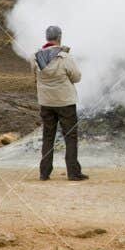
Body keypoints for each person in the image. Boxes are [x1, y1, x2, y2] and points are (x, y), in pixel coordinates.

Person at [35, 25, 87, 181]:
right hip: (65, 102)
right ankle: (73, 172)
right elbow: (77, 77)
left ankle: (44, 173)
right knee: (70, 137)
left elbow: (35, 76)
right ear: (59, 37)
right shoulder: (64, 57)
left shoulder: (36, 57)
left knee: (48, 136)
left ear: (46, 37)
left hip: (46, 102)